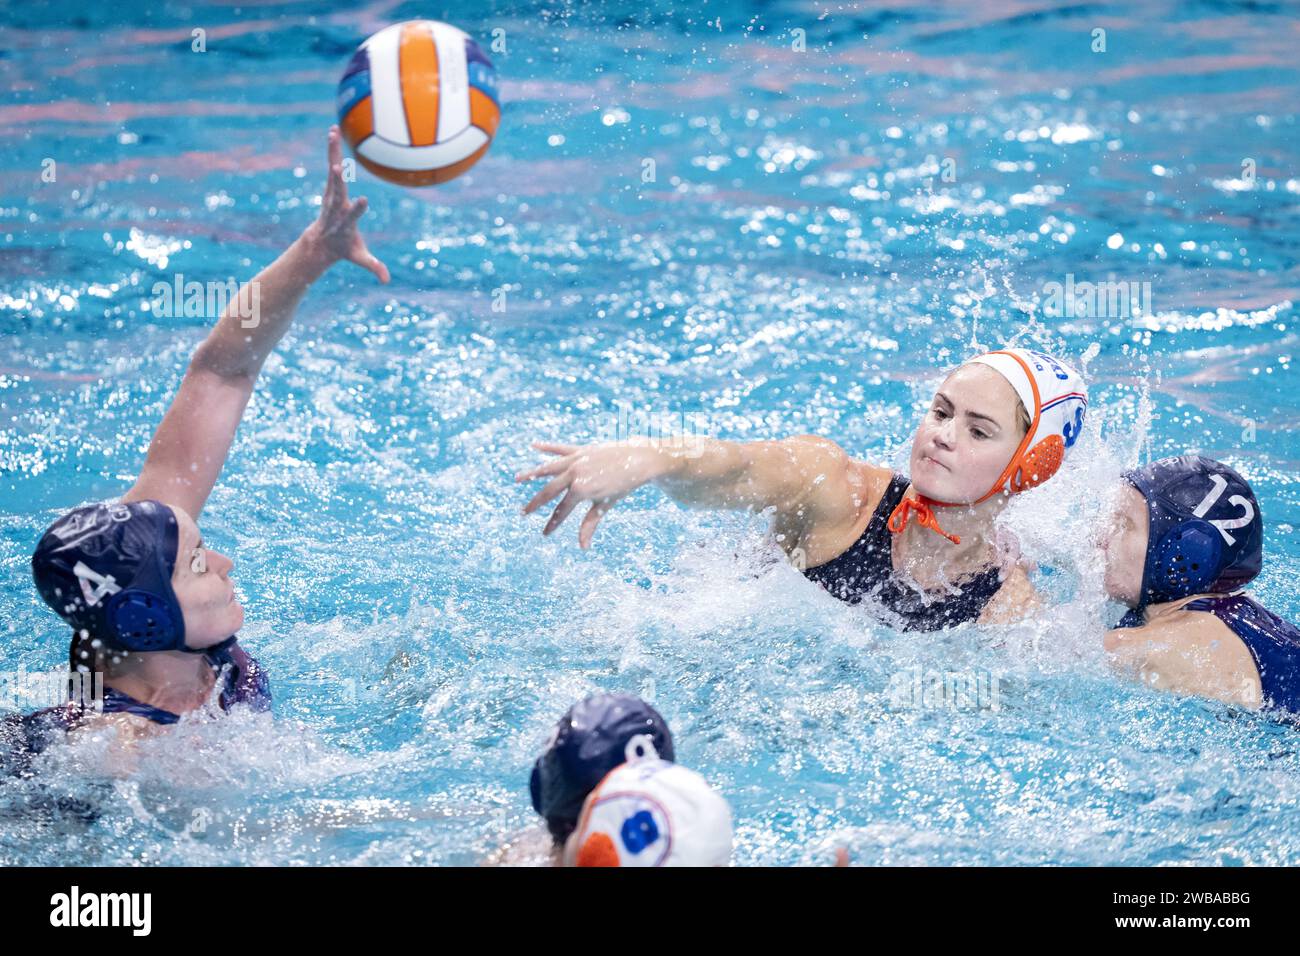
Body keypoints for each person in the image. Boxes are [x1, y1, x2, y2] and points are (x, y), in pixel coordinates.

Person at [8, 126, 388, 769]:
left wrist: (312, 253)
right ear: (145, 620)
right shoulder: (134, 757)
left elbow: (221, 370)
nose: (227, 561)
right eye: (198, 564)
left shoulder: (145, 551)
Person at [518, 347, 1088, 631]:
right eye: (941, 411)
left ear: (1031, 467)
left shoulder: (1003, 604)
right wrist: (650, 458)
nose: (942, 436)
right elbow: (739, 468)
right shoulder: (837, 490)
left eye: (977, 430)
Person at [1100, 455, 1300, 712]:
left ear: (1183, 553)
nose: (1100, 538)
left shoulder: (1186, 640)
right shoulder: (1225, 612)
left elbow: (1049, 657)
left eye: (1122, 525)